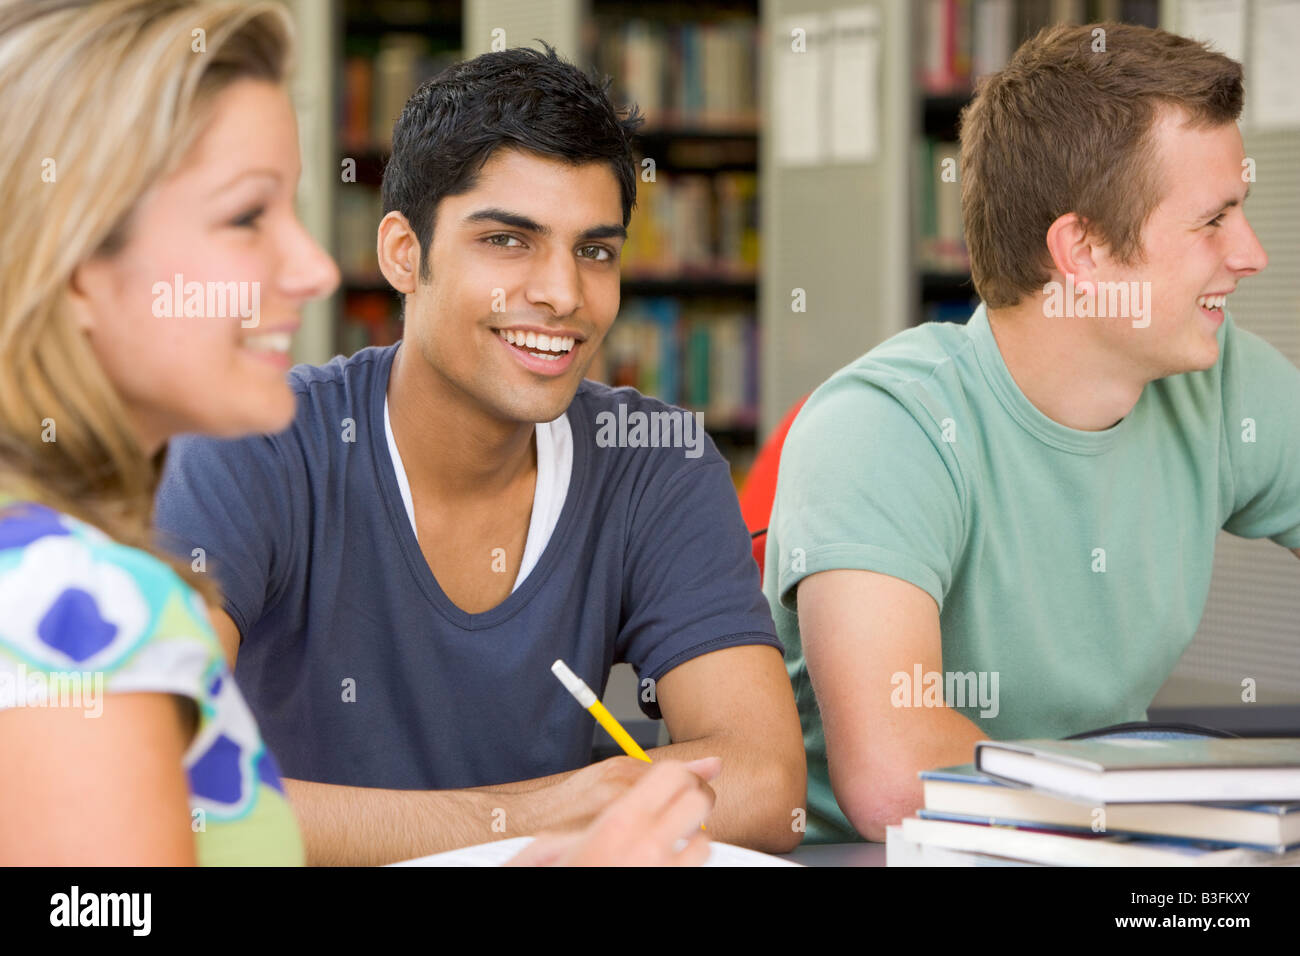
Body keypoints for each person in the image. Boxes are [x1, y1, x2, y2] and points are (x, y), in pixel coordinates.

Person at [0, 0, 719, 867]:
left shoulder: (95, 582)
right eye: (244, 217)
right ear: (80, 260)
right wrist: (548, 825)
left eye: (596, 251)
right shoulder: (67, 605)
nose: (309, 268)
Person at [154, 43, 805, 863]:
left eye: (595, 251)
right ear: (403, 254)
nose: (563, 294)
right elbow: (164, 782)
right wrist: (543, 814)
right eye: (507, 241)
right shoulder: (253, 444)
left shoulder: (654, 460)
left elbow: (764, 782)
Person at [764, 21, 1300, 844]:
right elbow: (893, 779)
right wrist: (1179, 816)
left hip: (1099, 847)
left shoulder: (1223, 381)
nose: (1252, 253)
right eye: (1213, 221)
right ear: (1079, 250)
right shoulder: (882, 429)